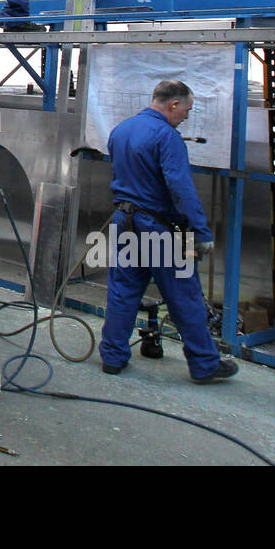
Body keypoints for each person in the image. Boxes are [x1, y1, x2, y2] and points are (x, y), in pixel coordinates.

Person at [97, 79, 237, 383]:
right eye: (185, 111)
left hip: (124, 221)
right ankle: (204, 364)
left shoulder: (121, 130)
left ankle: (112, 357)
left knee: (123, 290)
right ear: (173, 105)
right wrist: (201, 232)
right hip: (164, 229)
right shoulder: (167, 136)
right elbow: (181, 189)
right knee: (184, 295)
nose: (185, 117)